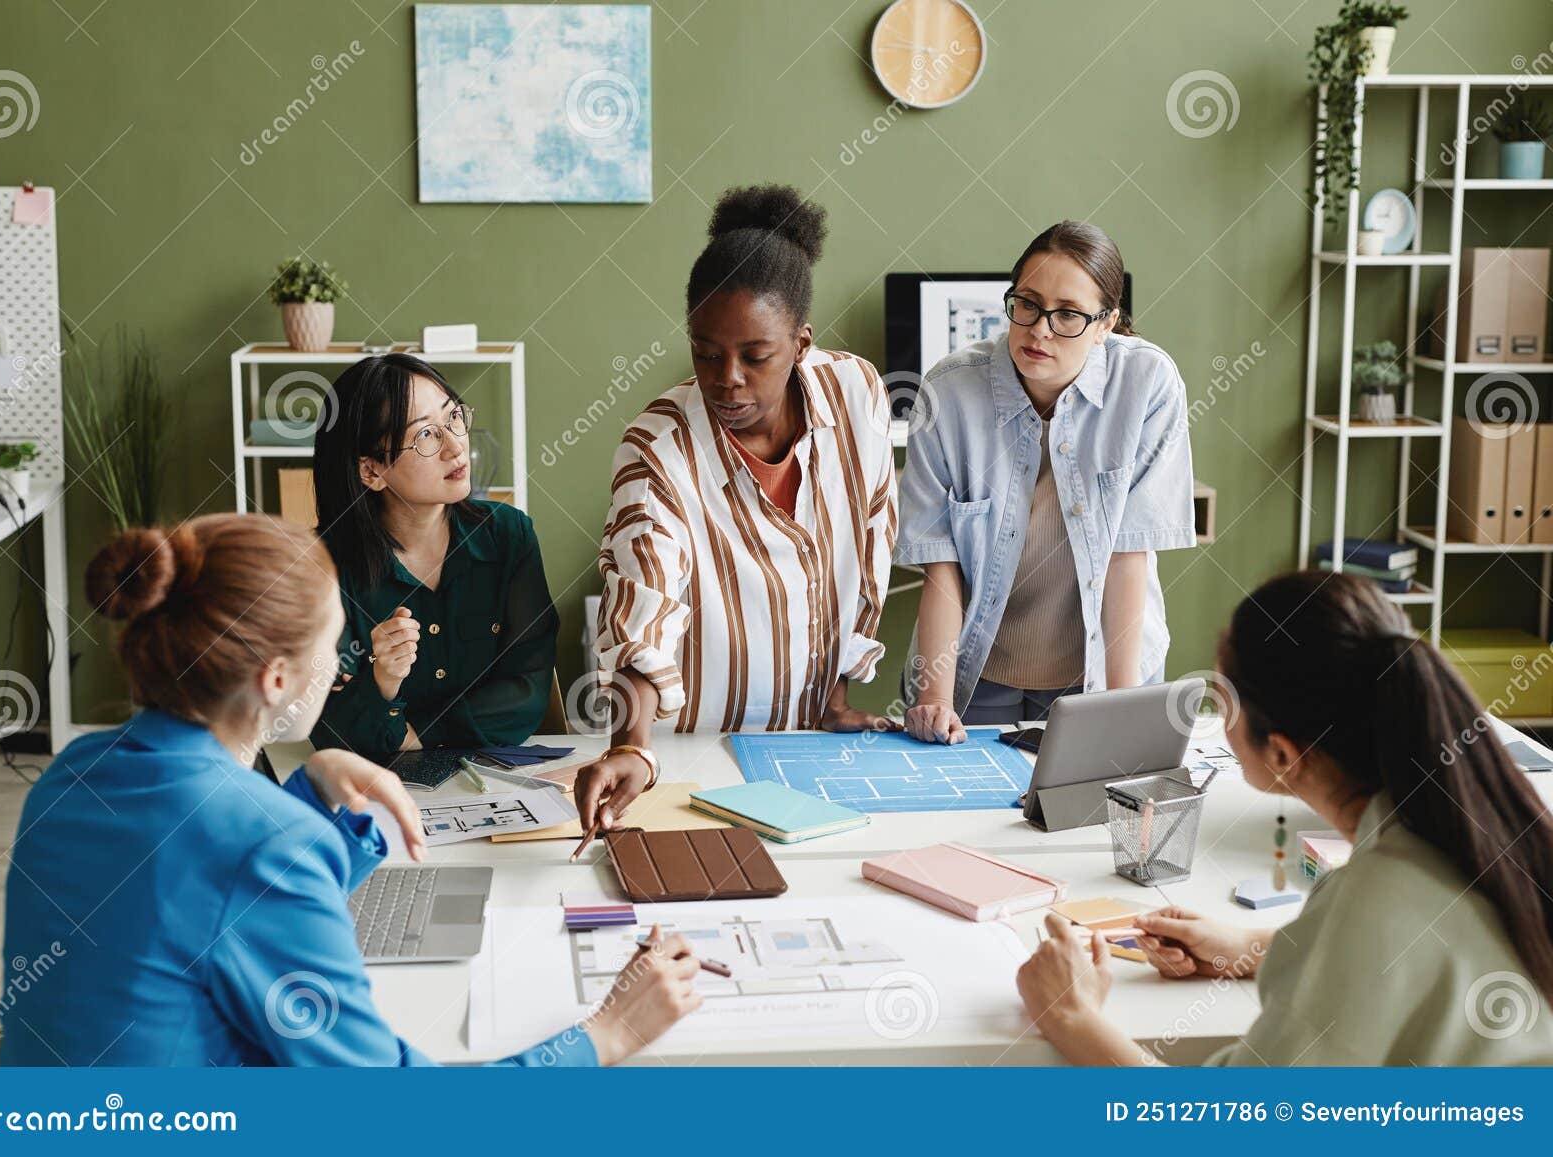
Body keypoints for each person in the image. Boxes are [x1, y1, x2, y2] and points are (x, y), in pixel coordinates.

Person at [0, 515, 700, 1066]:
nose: (342, 661)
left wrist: (306, 800)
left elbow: (199, 915)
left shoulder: (71, 773)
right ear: (278, 681)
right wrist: (606, 1034)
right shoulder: (265, 843)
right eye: (333, 644)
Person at [1016, 570, 1553, 1066]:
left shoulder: (1376, 896)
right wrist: (1253, 947)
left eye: (1225, 703)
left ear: (1281, 755)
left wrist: (1068, 1013)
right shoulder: (1487, 829)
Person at [576, 184, 899, 831]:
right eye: (705, 351)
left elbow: (870, 548)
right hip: (694, 756)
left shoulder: (856, 392)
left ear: (802, 344)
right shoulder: (660, 445)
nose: (727, 378)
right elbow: (646, 599)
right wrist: (632, 743)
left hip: (808, 750)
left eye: (756, 357)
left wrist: (837, 692)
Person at [896, 221, 1195, 743]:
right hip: (978, 669)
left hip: (1097, 672)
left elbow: (1129, 555)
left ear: (1107, 323)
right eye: (1028, 304)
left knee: (1088, 818)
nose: (1039, 330)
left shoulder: (1148, 384)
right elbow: (940, 563)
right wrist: (935, 699)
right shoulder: (948, 391)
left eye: (1069, 315)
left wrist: (1120, 706)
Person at [310, 352, 558, 758]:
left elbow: (528, 689)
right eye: (425, 434)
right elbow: (325, 724)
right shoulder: (323, 567)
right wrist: (383, 679)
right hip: (371, 789)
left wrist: (418, 734)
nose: (455, 446)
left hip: (498, 775)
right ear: (372, 471)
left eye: (453, 417)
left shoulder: (508, 535)